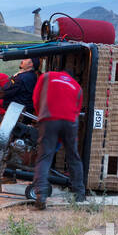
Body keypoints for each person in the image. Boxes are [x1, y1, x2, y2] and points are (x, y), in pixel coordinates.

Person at [31, 66, 85, 208]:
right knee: (74, 157)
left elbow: (36, 98)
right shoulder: (77, 86)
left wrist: (40, 116)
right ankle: (79, 194)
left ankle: (41, 195)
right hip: (70, 123)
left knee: (44, 157)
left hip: (49, 119)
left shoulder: (47, 76)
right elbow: (77, 109)